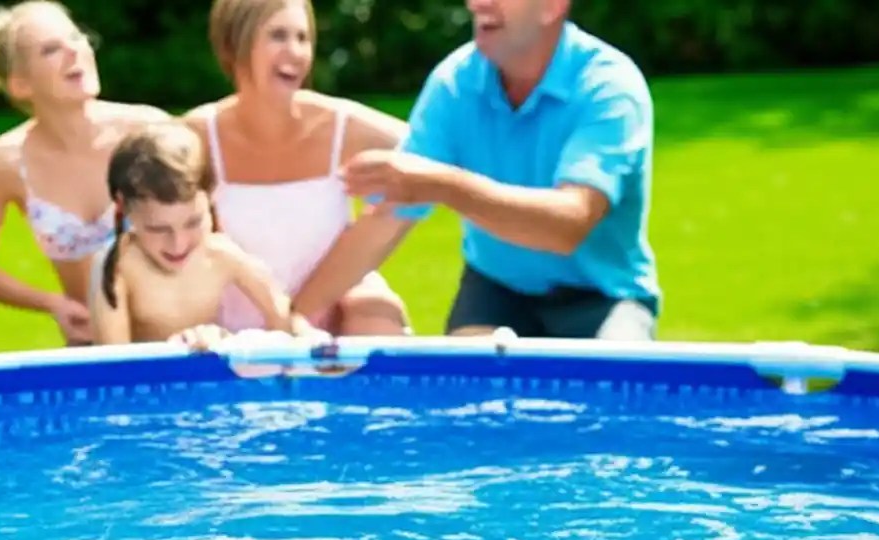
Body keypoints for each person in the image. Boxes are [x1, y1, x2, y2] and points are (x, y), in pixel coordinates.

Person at [290, 0, 661, 341]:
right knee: (470, 404)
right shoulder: (455, 84)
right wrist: (291, 319)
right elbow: (388, 217)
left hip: (603, 297)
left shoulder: (608, 88)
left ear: (552, 6)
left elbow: (567, 225)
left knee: (609, 392)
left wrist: (445, 186)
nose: (477, 3)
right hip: (496, 291)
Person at [182, 0, 411, 336]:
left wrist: (380, 221)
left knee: (377, 312)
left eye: (303, 38)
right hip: (231, 327)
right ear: (235, 44)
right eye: (278, 36)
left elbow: (434, 157)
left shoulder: (341, 126)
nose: (296, 52)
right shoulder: (198, 136)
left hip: (328, 315)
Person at [0, 1, 170, 346]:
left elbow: (215, 232)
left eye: (76, 37)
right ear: (21, 85)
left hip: (174, 342)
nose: (75, 50)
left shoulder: (150, 131)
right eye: (51, 49)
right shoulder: (4, 163)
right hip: (90, 349)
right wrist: (54, 304)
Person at [91, 121, 301, 345]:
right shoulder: (119, 268)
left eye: (193, 223)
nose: (178, 244)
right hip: (146, 377)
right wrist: (176, 350)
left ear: (211, 198)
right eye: (158, 229)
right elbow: (113, 366)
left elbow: (283, 317)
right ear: (123, 206)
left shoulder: (220, 255)